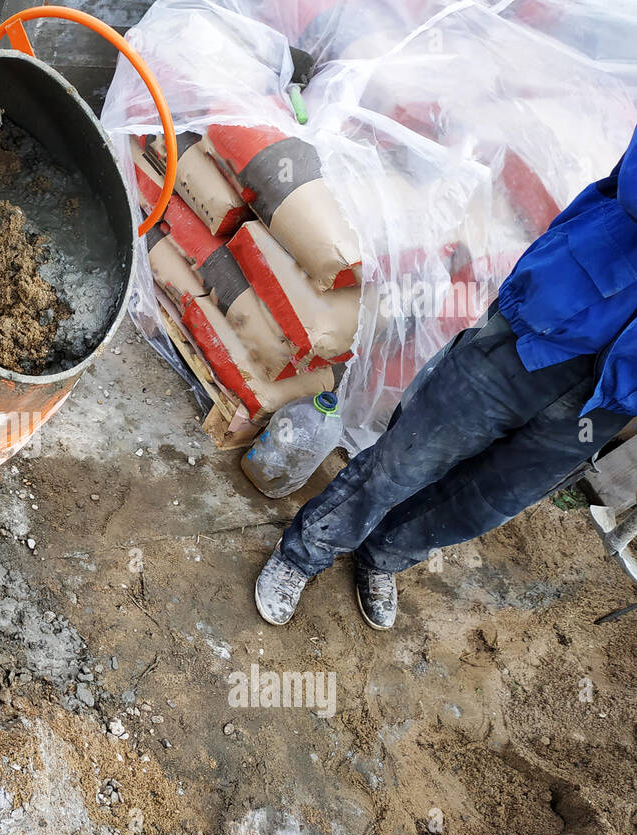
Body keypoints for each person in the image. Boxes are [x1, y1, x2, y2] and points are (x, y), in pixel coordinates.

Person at [255, 126, 637, 630]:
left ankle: (384, 555)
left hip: (611, 395)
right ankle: (305, 550)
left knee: (485, 501)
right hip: (551, 323)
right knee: (409, 457)